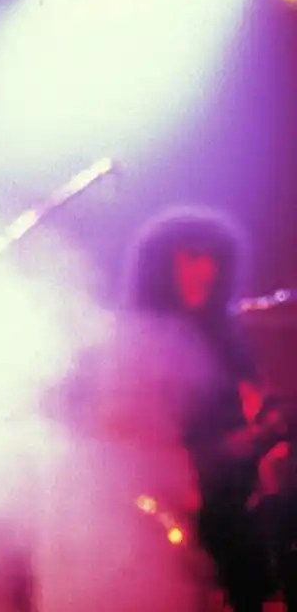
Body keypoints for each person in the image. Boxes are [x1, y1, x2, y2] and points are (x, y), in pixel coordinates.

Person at [116, 206, 286, 612]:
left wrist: (269, 434)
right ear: (159, 266)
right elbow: (138, 454)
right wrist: (254, 440)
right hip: (171, 532)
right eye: (191, 257)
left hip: (238, 521)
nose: (206, 269)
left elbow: (252, 409)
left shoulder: (228, 337)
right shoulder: (135, 345)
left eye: (213, 257)